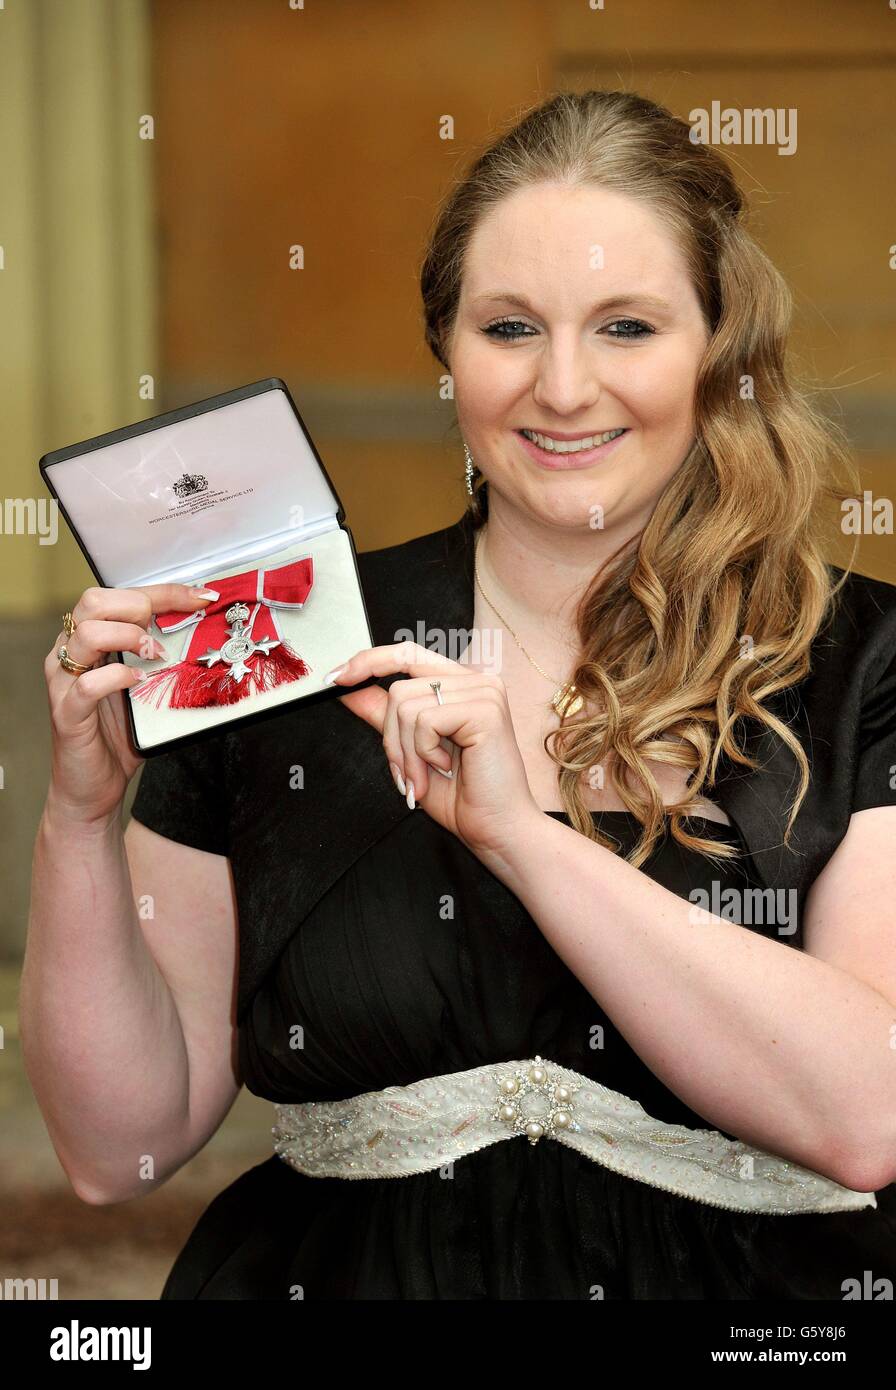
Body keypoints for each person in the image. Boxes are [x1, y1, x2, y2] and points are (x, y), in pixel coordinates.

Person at [22, 90, 896, 1300]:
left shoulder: (861, 656)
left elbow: (867, 1113)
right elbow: (119, 1150)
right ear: (446, 349)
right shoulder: (284, 654)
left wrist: (518, 840)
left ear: (717, 347)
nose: (563, 387)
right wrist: (78, 821)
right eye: (509, 328)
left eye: (627, 327)